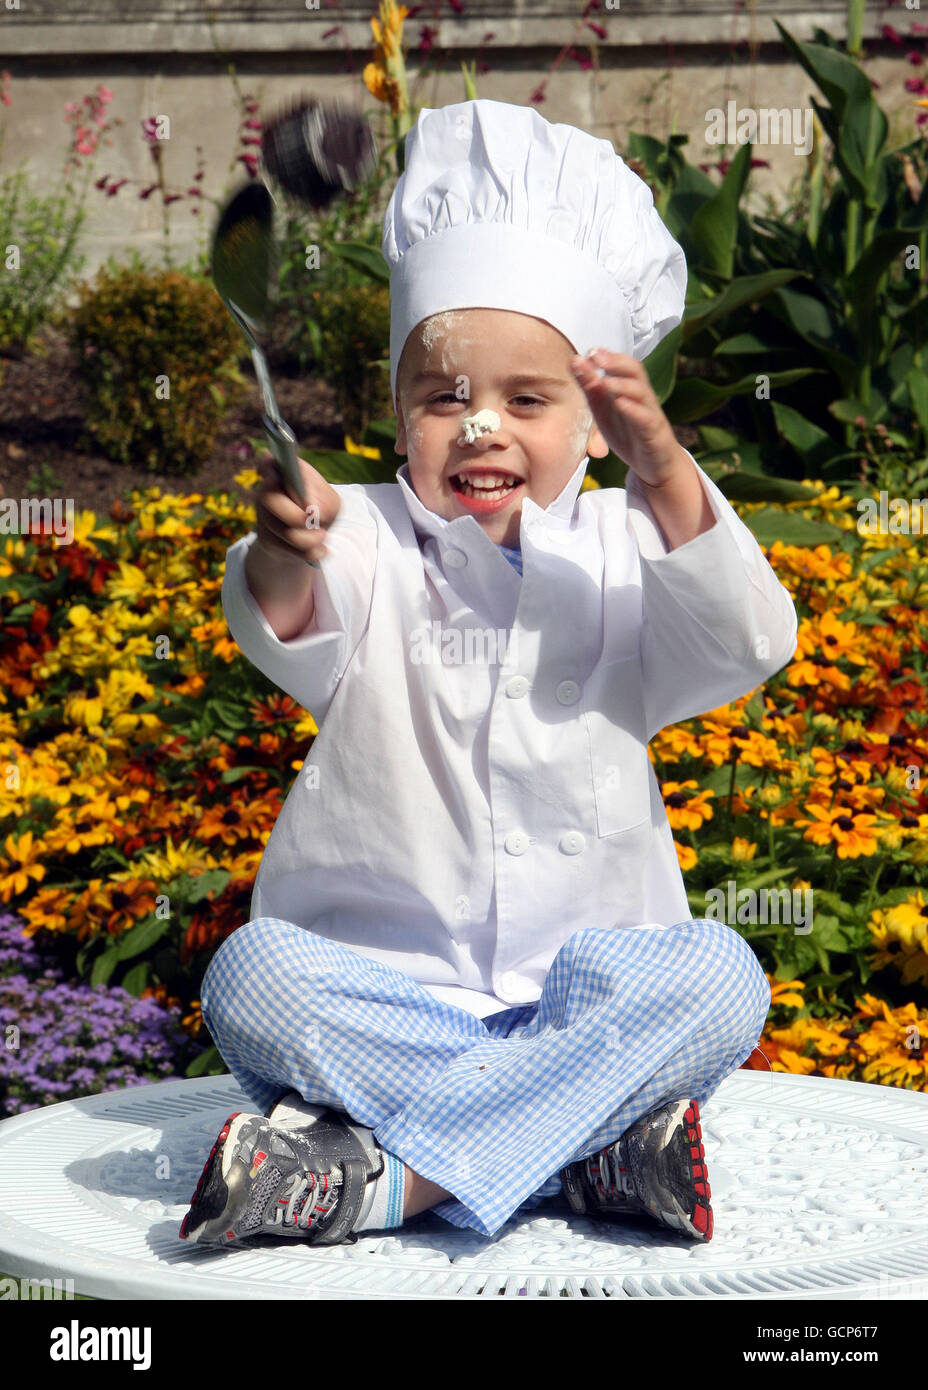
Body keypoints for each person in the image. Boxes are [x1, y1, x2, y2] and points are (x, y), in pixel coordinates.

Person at [179, 99, 797, 1251]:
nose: (479, 429)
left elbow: (750, 638)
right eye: (444, 397)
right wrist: (280, 543)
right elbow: (290, 615)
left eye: (527, 399)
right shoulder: (357, 531)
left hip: (583, 998)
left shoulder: (629, 546)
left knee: (718, 974)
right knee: (252, 976)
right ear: (399, 413)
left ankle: (384, 1178)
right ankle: (585, 1144)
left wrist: (667, 471)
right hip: (383, 996)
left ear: (598, 428)